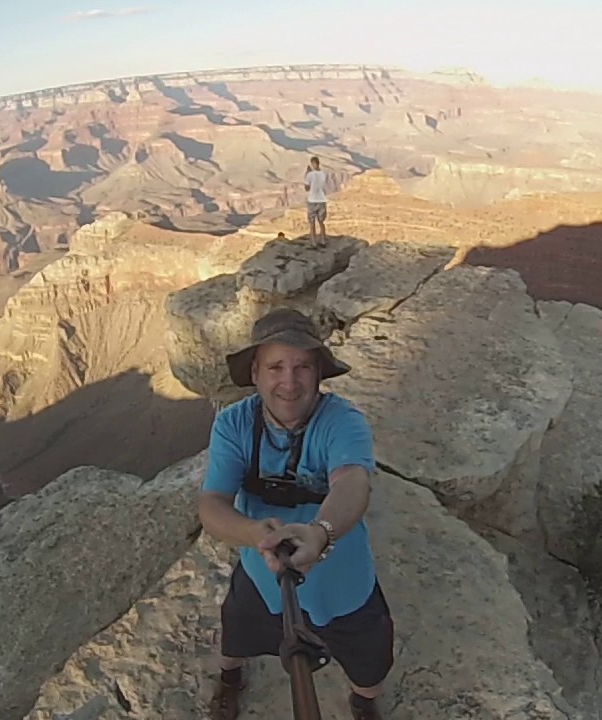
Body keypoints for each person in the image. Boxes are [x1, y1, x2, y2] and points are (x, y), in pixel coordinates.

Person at [199, 307, 393, 720]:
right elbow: (212, 504)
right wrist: (254, 534)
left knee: (368, 658)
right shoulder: (233, 425)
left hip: (343, 580)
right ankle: (229, 678)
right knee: (236, 634)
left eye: (302, 366)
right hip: (262, 570)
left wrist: (320, 532)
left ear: (319, 373)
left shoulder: (343, 422)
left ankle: (363, 701)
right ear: (255, 373)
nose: (289, 381)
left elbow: (352, 481)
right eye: (276, 367)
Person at [303, 157, 329, 241]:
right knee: (321, 222)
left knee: (312, 222)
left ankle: (313, 242)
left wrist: (306, 175)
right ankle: (323, 240)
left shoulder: (310, 175)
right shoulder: (324, 174)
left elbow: (307, 188)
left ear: (313, 164)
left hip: (312, 200)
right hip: (322, 200)